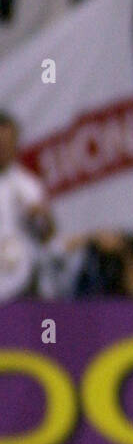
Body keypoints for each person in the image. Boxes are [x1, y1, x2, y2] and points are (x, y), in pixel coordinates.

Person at [0, 110, 55, 303]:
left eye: (7, 144)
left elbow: (48, 235)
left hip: (22, 284)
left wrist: (44, 216)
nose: (3, 149)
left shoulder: (28, 186)